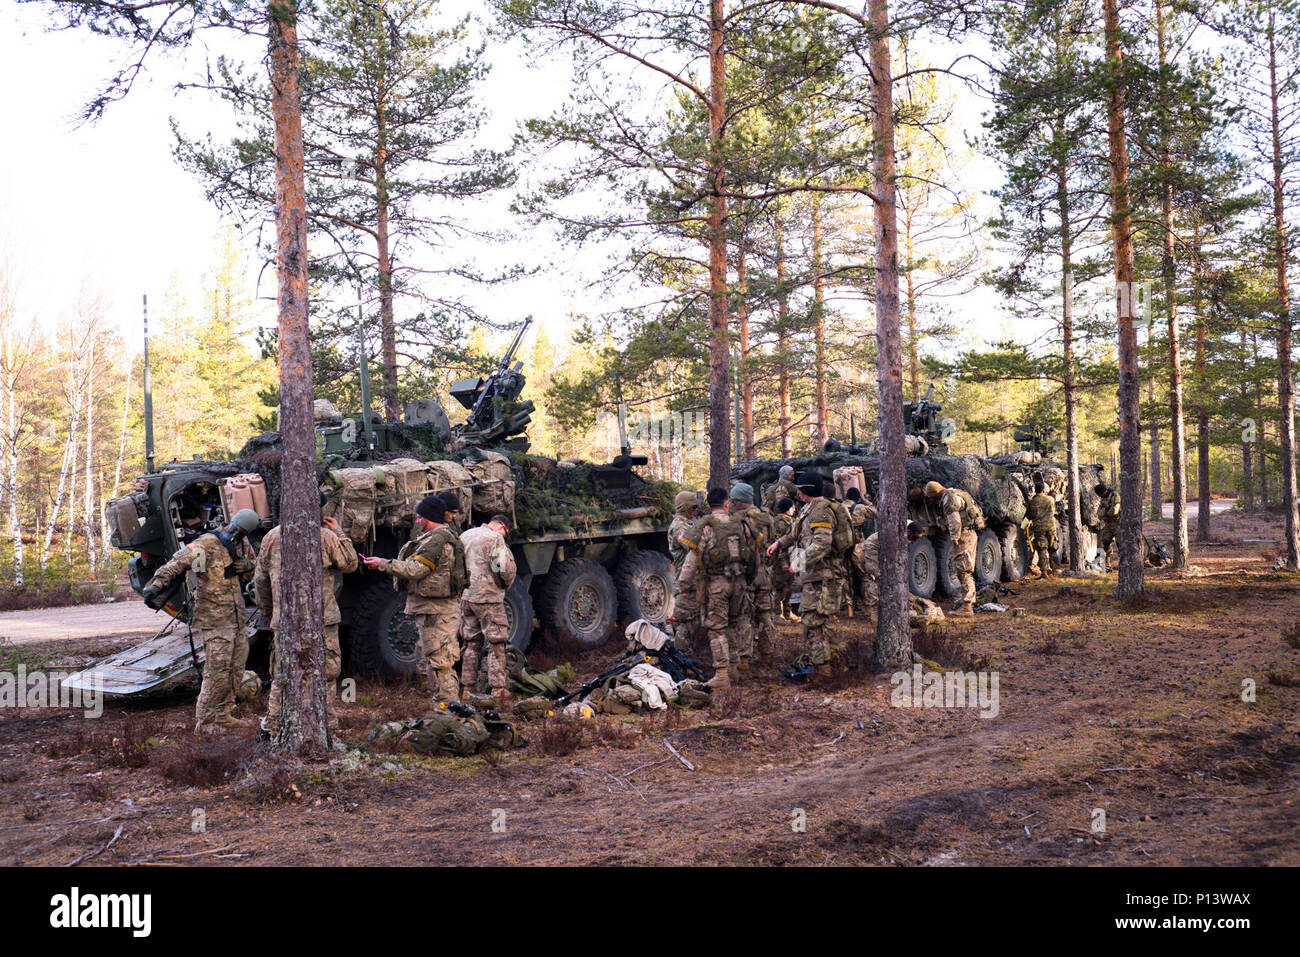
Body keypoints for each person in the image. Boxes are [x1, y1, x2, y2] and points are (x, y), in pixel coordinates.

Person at [142, 508, 259, 733]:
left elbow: (252, 571)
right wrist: (157, 584)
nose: (238, 533)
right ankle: (205, 722)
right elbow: (178, 563)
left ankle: (224, 715)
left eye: (243, 532)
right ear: (232, 523)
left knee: (236, 668)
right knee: (217, 671)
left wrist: (248, 568)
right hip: (214, 618)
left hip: (237, 617)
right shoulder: (207, 543)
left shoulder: (242, 544)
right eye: (237, 529)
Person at [254, 513, 358, 733]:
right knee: (327, 672)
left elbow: (261, 579)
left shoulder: (271, 537)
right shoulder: (325, 536)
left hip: (285, 620)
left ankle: (274, 725)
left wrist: (269, 610)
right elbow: (350, 564)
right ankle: (326, 725)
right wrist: (340, 532)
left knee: (283, 673)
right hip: (322, 618)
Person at [363, 495, 467, 703]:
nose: (417, 521)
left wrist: (383, 564)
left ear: (430, 517)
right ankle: (443, 709)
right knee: (433, 661)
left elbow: (416, 569)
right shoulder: (432, 539)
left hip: (438, 612)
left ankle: (450, 711)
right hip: (431, 611)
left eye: (420, 517)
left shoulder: (437, 541)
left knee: (441, 664)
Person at [678, 487, 757, 688]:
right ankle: (735, 668)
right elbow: (753, 554)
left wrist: (684, 585)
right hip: (739, 583)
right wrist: (749, 580)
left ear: (709, 505)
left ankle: (722, 675)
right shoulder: (741, 524)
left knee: (716, 629)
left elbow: (692, 560)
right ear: (726, 503)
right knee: (733, 624)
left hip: (716, 585)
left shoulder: (705, 526)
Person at [768, 475, 843, 677]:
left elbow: (822, 543)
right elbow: (794, 534)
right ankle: (832, 664)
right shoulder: (808, 511)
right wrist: (779, 543)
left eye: (800, 489)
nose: (797, 492)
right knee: (819, 622)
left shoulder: (821, 513)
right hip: (815, 576)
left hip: (823, 578)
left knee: (812, 622)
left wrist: (797, 563)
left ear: (807, 491)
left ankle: (824, 672)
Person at [458, 514, 518, 707]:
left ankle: (467, 689)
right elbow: (504, 568)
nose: (505, 536)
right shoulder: (495, 539)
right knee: (496, 643)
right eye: (506, 533)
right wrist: (504, 585)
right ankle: (498, 690)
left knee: (470, 643)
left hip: (466, 597)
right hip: (488, 597)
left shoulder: (465, 535)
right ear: (502, 526)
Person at [729, 482, 777, 668]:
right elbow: (773, 545)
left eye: (734, 499)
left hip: (745, 574)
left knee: (744, 616)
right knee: (765, 614)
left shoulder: (736, 521)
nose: (732, 503)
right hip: (764, 572)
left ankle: (744, 660)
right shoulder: (767, 518)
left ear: (740, 501)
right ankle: (767, 655)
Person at [924, 480, 983, 617]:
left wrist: (954, 538)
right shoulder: (956, 492)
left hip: (964, 535)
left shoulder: (948, 499)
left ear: (935, 494)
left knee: (964, 571)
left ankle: (967, 607)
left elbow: (954, 520)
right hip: (969, 532)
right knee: (963, 570)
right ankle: (964, 602)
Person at [770, 497, 798, 621]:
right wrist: (783, 562)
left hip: (791, 558)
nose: (794, 509)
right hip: (781, 560)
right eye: (792, 507)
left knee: (789, 586)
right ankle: (777, 613)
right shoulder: (779, 523)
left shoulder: (790, 521)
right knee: (780, 587)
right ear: (787, 509)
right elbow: (779, 544)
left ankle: (788, 612)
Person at [1026, 473, 1059, 579]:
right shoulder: (1050, 499)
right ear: (1044, 490)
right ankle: (1055, 570)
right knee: (1052, 547)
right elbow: (1053, 511)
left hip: (1039, 528)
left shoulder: (1032, 502)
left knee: (1042, 549)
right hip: (1050, 527)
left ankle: (1044, 572)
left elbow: (1029, 516)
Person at [1096, 482, 1120, 569]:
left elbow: (1114, 511)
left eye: (1100, 495)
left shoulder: (1114, 496)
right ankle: (1107, 564)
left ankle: (1123, 564)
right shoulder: (1104, 498)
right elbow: (1099, 513)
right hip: (1108, 523)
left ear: (1103, 492)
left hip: (1118, 523)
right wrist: (1104, 513)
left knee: (1120, 543)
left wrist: (1105, 512)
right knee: (1105, 543)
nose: (1100, 497)